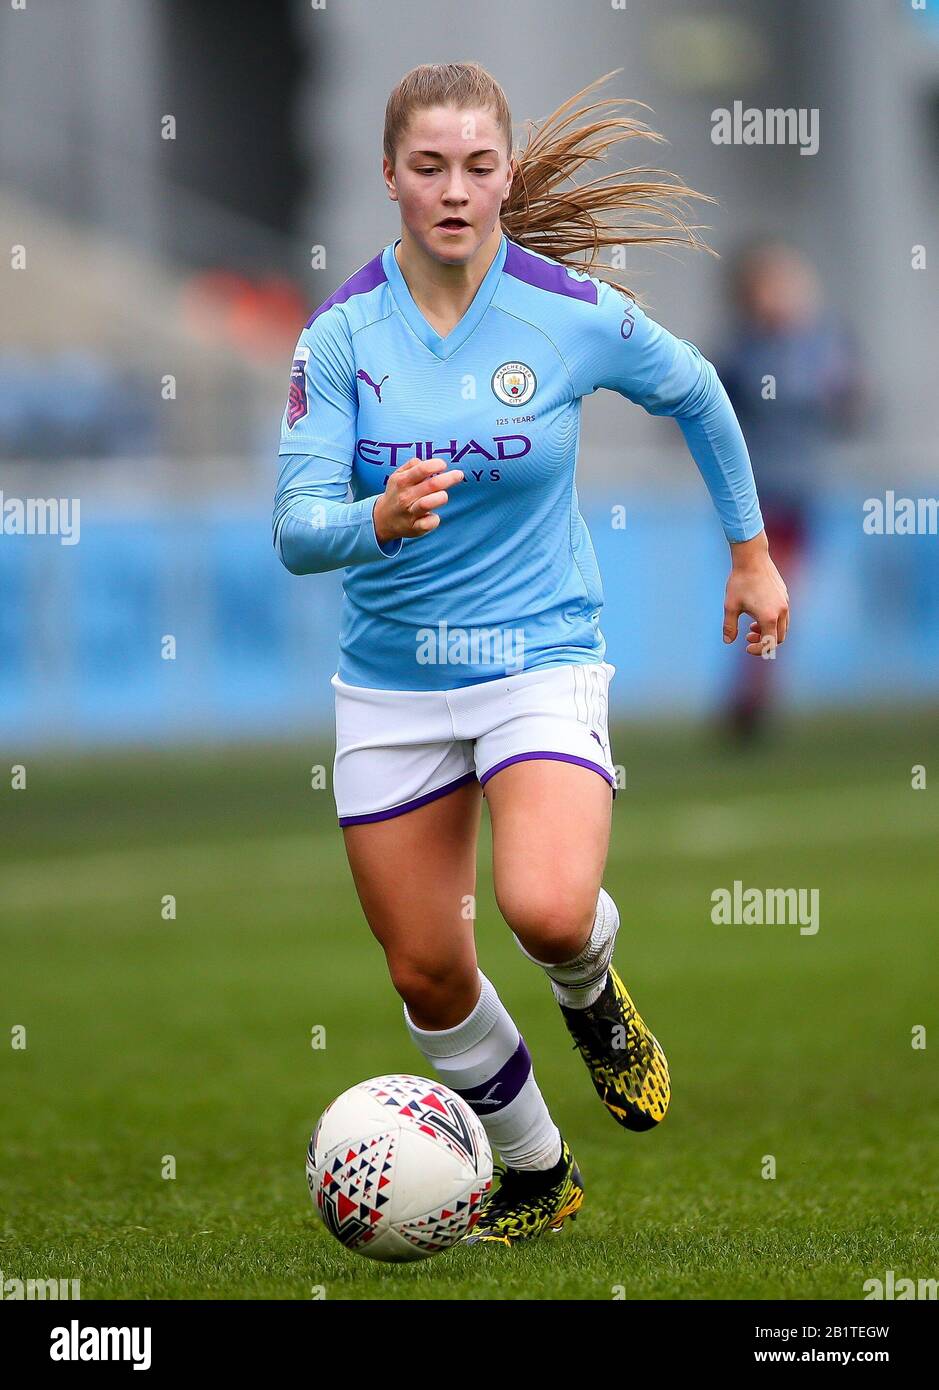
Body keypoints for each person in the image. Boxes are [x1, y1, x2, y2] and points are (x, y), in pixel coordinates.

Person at [273, 62, 789, 1245]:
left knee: (550, 910)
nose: (454, 189)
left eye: (476, 165)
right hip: (393, 685)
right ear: (389, 179)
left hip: (539, 654)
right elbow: (298, 531)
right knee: (427, 976)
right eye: (428, 167)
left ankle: (592, 998)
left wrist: (751, 555)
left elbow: (702, 394)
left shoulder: (567, 311)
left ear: (506, 174)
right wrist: (375, 520)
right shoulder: (341, 337)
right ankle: (538, 1169)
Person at [717, 239, 863, 741]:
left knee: (782, 596)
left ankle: (752, 697)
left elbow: (854, 404)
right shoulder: (742, 352)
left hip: (802, 493)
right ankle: (752, 700)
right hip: (758, 498)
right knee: (774, 592)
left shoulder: (823, 343)